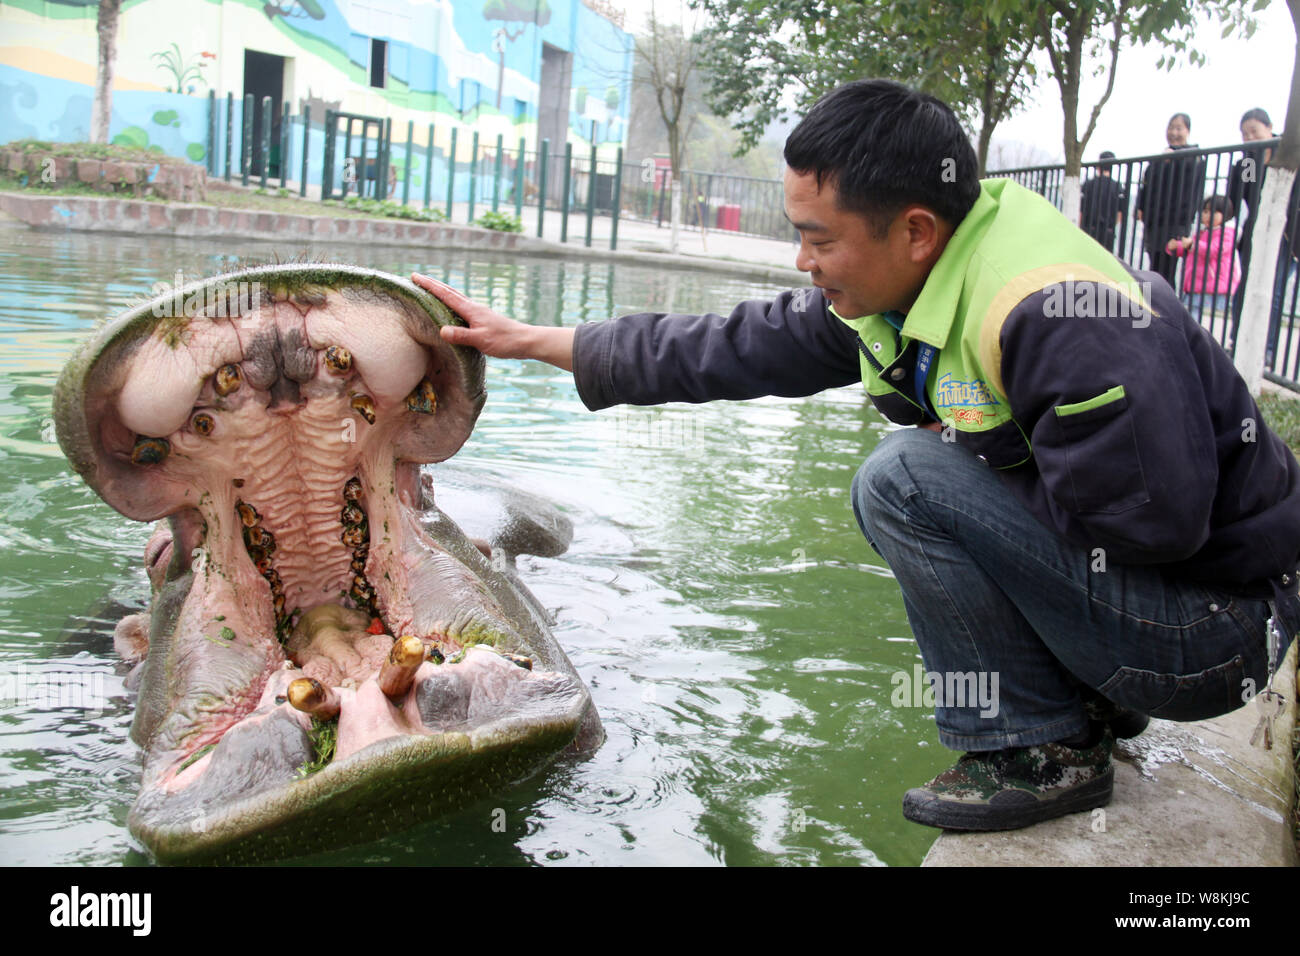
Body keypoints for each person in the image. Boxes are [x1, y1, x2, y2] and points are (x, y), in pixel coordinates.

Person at [412, 80, 1300, 832]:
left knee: (905, 480)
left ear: (914, 230)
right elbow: (729, 346)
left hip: (1215, 635)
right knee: (924, 474)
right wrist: (537, 339)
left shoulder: (1057, 316)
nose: (802, 261)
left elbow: (1158, 524)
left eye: (819, 239)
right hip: (1157, 608)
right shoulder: (906, 285)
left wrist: (969, 456)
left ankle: (1043, 748)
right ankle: (1085, 705)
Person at [1227, 108, 1299, 365]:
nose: (1249, 138)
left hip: (1287, 238)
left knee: (1274, 292)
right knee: (1244, 287)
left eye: (1254, 131)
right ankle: (1237, 340)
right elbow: (1241, 197)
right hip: (1255, 235)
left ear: (1269, 128)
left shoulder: (1289, 156)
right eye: (1244, 134)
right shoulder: (1249, 163)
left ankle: (1266, 349)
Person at [1135, 113, 1206, 287]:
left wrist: (1173, 158)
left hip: (1176, 222)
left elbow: (1190, 182)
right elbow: (1146, 182)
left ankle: (1164, 309)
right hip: (1154, 222)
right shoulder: (1159, 160)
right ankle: (1154, 307)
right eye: (1171, 127)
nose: (1174, 132)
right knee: (1154, 268)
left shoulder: (1194, 156)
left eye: (1178, 128)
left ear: (1188, 131)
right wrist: (1140, 207)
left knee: (1166, 272)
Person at [1166, 195, 1239, 317]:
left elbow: (1214, 250)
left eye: (1214, 212)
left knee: (1202, 324)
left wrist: (1191, 245)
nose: (1208, 215)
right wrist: (1176, 247)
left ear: (1226, 215)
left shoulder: (1227, 234)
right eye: (1205, 211)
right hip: (1193, 289)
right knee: (1190, 323)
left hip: (1212, 291)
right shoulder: (1201, 233)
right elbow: (1190, 250)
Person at [1079, 150, 1126, 252]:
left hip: (1089, 230)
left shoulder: (1088, 184)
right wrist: (1111, 226)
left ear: (1098, 166)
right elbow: (1120, 214)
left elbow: (1081, 211)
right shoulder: (1117, 186)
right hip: (1108, 231)